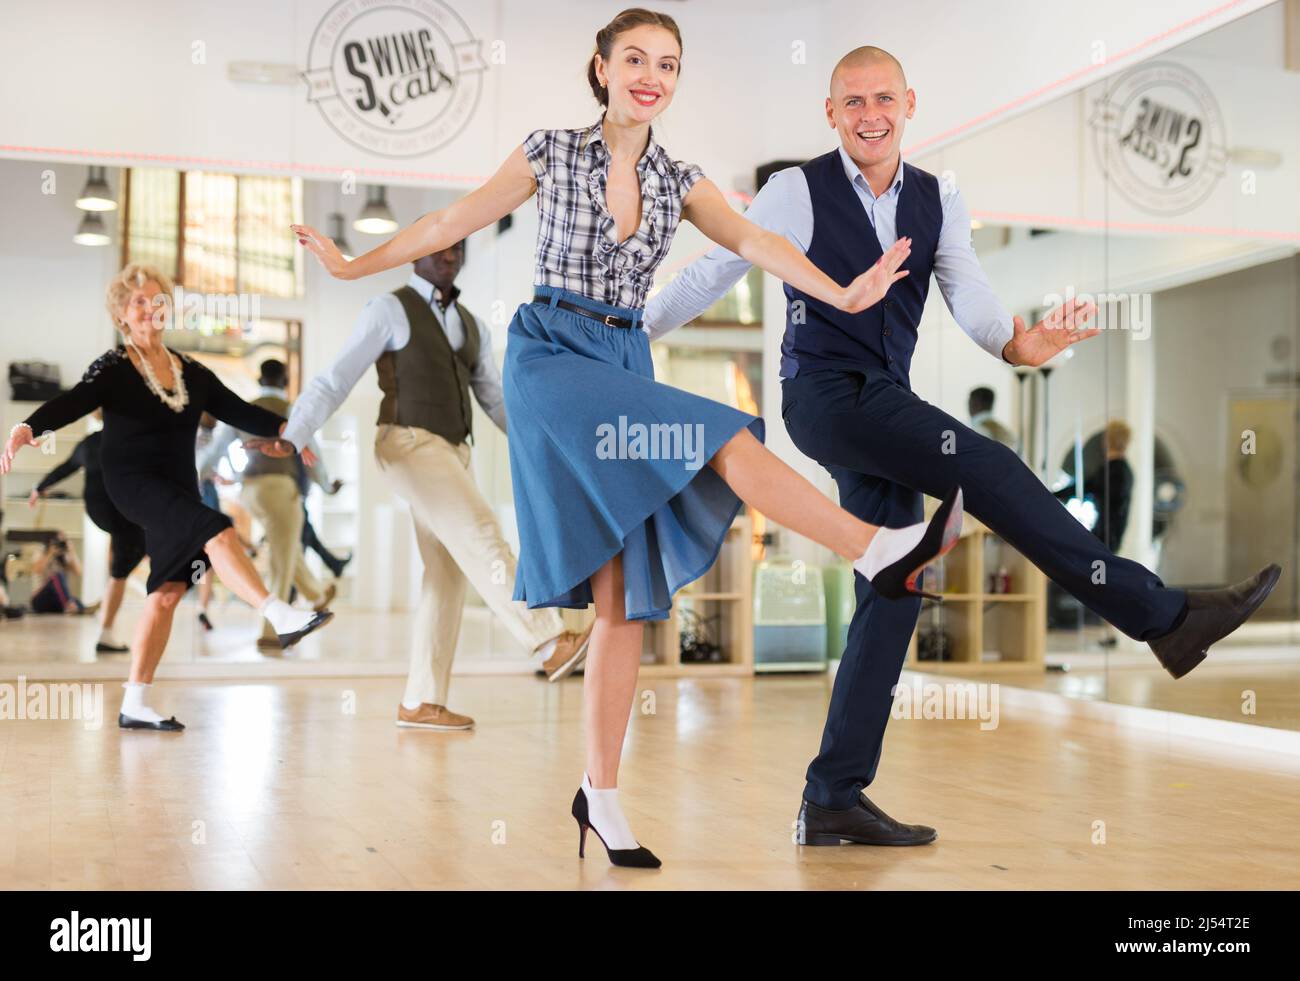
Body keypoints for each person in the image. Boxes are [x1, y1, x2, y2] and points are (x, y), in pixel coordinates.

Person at [287, 8, 964, 867]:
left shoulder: (682, 176)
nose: (651, 75)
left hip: (624, 355)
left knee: (622, 599)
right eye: (635, 58)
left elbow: (756, 239)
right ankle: (873, 550)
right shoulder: (549, 152)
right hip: (553, 353)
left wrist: (847, 291)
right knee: (721, 435)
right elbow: (444, 224)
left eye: (669, 65)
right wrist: (350, 266)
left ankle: (599, 797)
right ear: (601, 68)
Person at [645, 44, 1281, 848]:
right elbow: (711, 273)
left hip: (886, 397)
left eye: (883, 99)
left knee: (895, 583)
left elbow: (975, 305)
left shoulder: (939, 198)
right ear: (832, 114)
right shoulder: (793, 191)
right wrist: (621, 337)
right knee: (989, 468)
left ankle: (832, 796)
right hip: (826, 396)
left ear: (910, 103)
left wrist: (1025, 343)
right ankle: (1163, 615)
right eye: (852, 103)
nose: (869, 115)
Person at [0, 264, 335, 731]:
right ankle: (278, 614)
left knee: (167, 593)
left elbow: (237, 410)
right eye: (138, 301)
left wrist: (288, 430)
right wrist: (28, 427)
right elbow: (75, 400)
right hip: (132, 482)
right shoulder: (114, 367)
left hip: (178, 483)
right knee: (217, 528)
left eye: (157, 300)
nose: (149, 308)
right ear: (122, 315)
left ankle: (135, 702)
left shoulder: (191, 371)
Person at [279, 239, 594, 733]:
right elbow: (336, 378)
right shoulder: (387, 309)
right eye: (440, 249)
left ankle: (421, 701)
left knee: (445, 573)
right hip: (406, 442)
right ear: (416, 253)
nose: (449, 257)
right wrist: (295, 433)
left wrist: (551, 445)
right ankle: (549, 641)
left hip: (452, 449)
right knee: (481, 532)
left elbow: (493, 399)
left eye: (458, 249)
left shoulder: (471, 323)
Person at [200, 359, 333, 653]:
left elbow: (216, 451)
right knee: (281, 556)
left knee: (283, 544)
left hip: (249, 489)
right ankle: (271, 632)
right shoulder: (292, 411)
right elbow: (313, 454)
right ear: (285, 381)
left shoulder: (247, 407)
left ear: (260, 380)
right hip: (279, 485)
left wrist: (199, 475)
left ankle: (317, 593)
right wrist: (326, 485)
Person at [29, 414, 146, 650]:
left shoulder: (89, 442)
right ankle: (108, 620)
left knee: (131, 554)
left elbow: (66, 467)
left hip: (98, 510)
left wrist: (39, 487)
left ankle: (112, 594)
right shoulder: (129, 440)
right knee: (132, 557)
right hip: (118, 507)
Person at [1054, 420, 1134, 552]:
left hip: (1106, 537)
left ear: (1107, 441)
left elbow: (1088, 487)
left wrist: (1052, 495)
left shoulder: (1114, 470)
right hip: (1106, 536)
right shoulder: (1118, 470)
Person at [28, 532, 87, 614]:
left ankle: (79, 607)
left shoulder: (65, 557)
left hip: (57, 601)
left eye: (62, 542)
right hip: (40, 599)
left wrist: (72, 551)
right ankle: (70, 606)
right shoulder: (41, 554)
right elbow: (36, 570)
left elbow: (79, 572)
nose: (59, 544)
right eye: (57, 541)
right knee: (57, 576)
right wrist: (50, 553)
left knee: (77, 602)